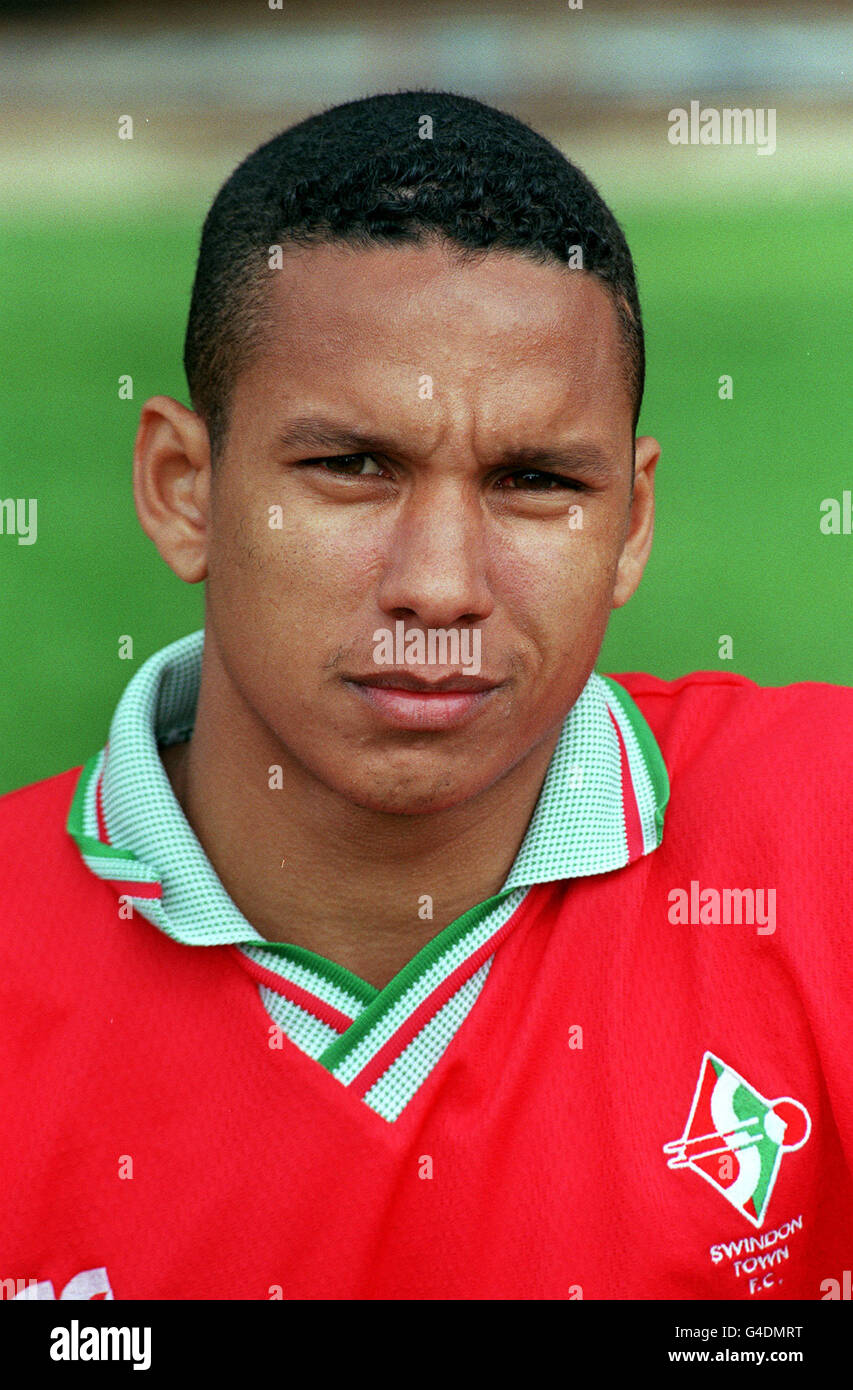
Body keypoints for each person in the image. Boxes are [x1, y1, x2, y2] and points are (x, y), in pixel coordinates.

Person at [1, 90, 850, 1302]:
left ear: (630, 524)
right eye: (352, 467)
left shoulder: (827, 836)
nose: (441, 587)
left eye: (536, 480)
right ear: (185, 488)